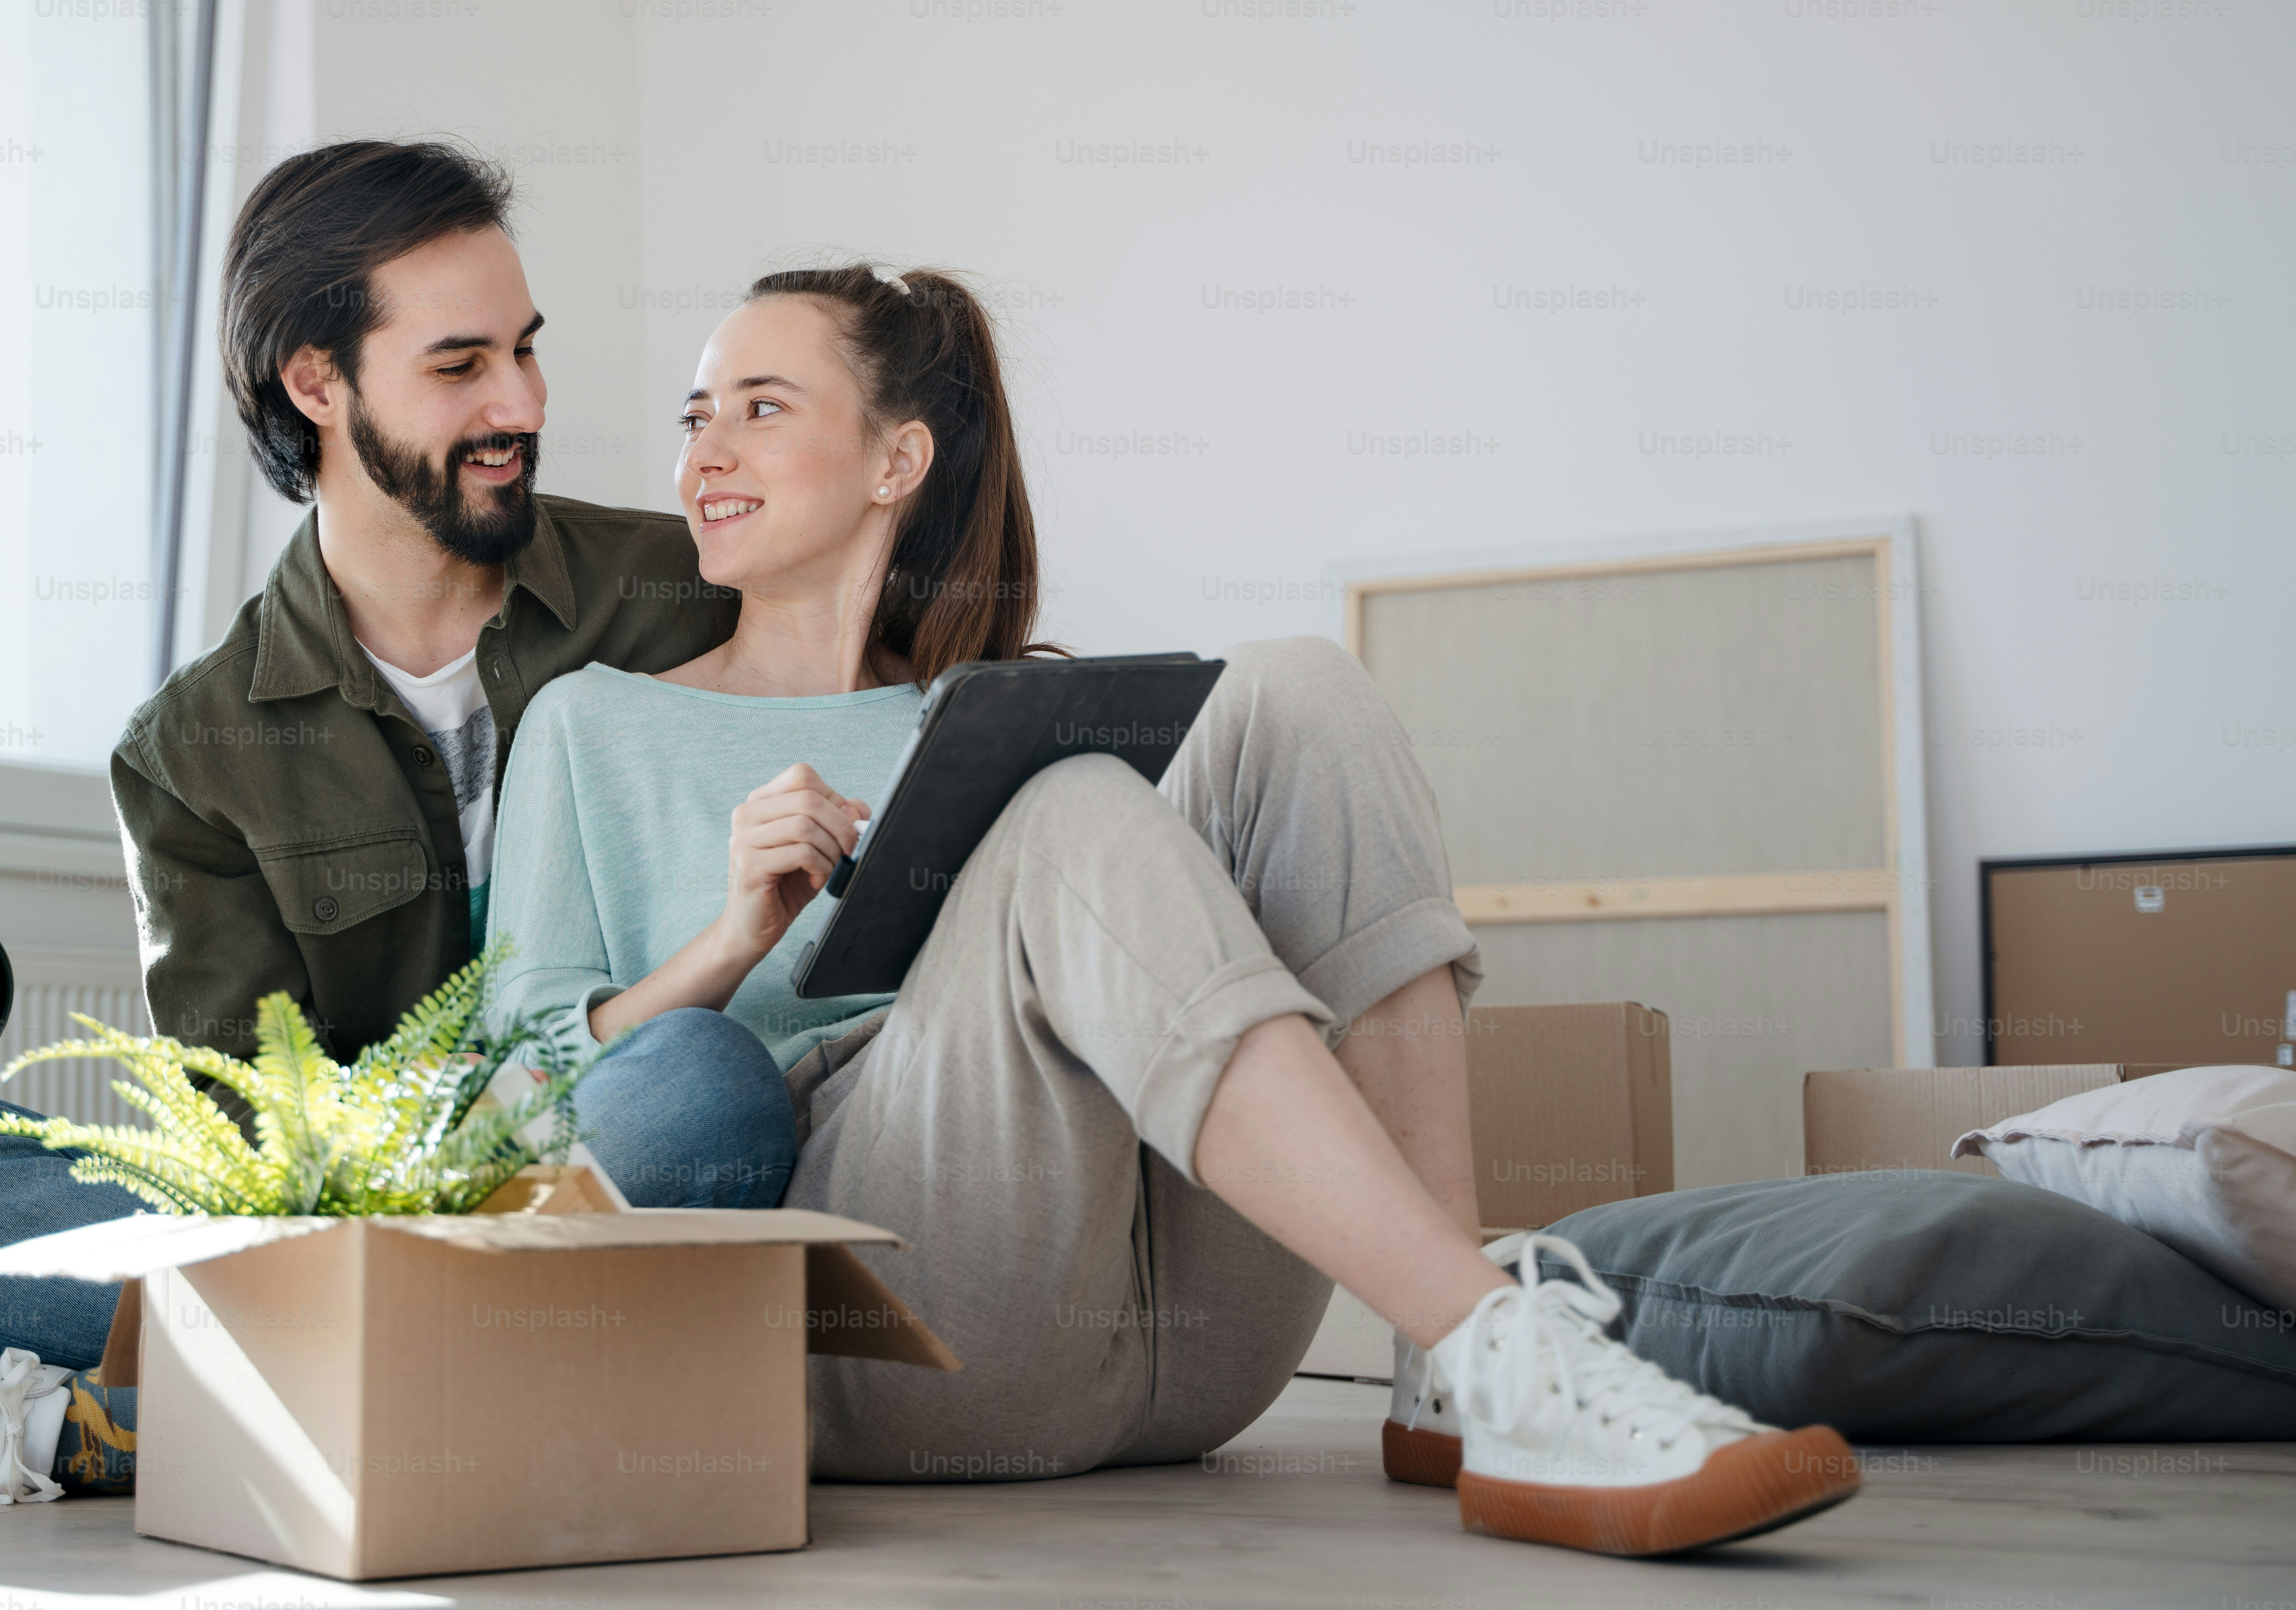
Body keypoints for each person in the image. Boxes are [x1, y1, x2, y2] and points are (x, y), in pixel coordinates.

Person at [472, 264, 1862, 1557]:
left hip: (1187, 1348)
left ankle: (1452, 1368)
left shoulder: (1002, 713)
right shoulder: (597, 725)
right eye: (696, 417)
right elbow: (510, 1095)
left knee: (1298, 688)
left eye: (761, 410)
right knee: (1072, 803)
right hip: (899, 1333)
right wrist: (731, 943)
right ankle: (1509, 1343)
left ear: (898, 462)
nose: (703, 456)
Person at [0, 140, 735, 1502]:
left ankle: (129, 1430)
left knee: (700, 1086)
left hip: (593, 1162)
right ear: (316, 383)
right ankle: (423, 1391)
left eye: (525, 349)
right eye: (460, 366)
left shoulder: (678, 586)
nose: (523, 403)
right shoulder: (192, 752)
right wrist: (417, 1160)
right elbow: (247, 1147)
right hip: (344, 1230)